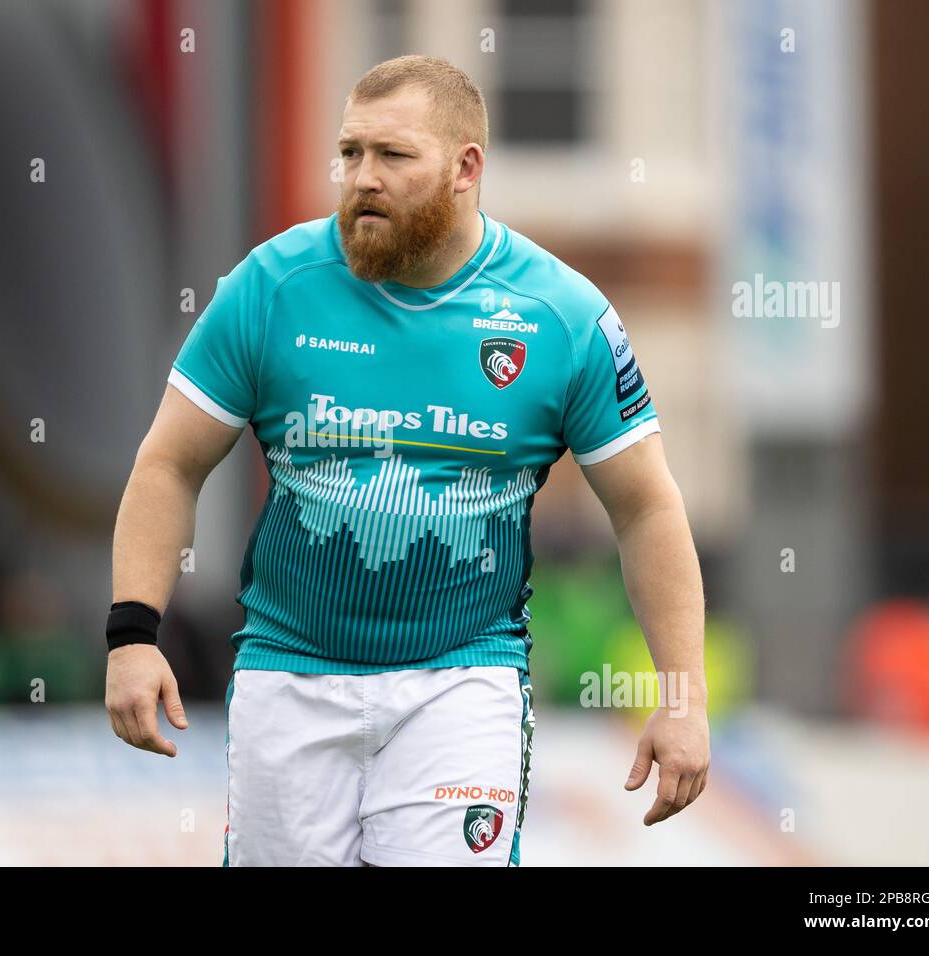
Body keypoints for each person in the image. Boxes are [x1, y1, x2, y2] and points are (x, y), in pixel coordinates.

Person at [105, 55, 709, 866]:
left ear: (467, 168)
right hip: (289, 676)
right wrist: (133, 634)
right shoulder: (271, 287)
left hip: (461, 683)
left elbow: (646, 507)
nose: (362, 179)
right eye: (350, 153)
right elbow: (169, 463)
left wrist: (682, 698)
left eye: (393, 156)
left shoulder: (560, 317)